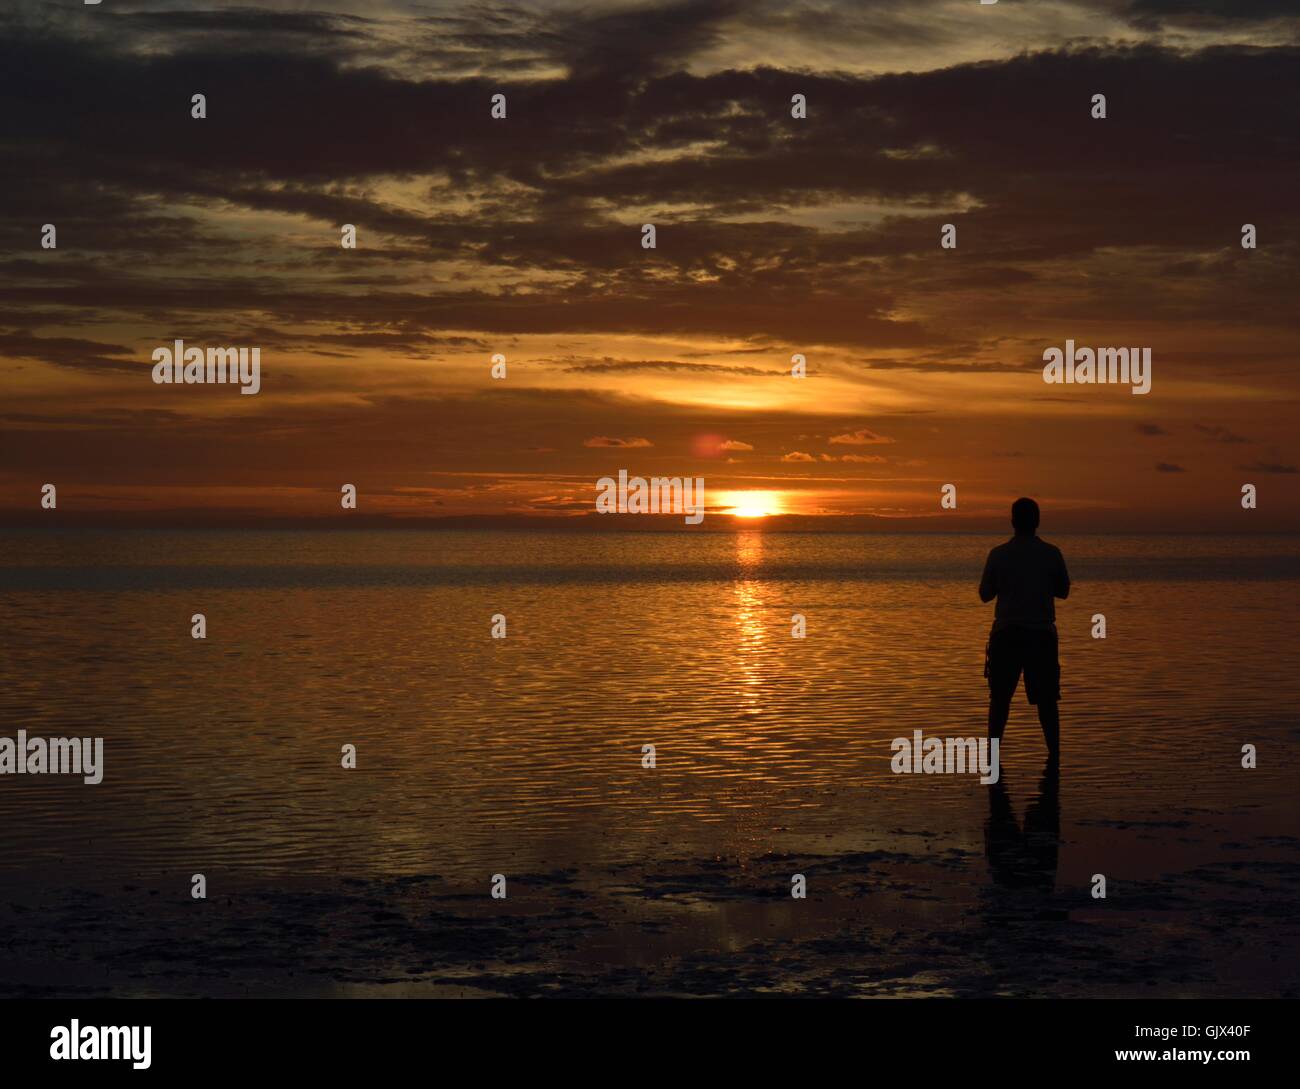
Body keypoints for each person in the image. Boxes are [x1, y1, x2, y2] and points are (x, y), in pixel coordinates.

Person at [979, 498, 1069, 763]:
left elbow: (985, 594)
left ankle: (992, 760)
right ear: (1037, 522)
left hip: (1006, 636)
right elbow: (1063, 591)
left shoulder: (998, 554)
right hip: (1041, 636)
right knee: (1047, 702)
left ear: (1012, 522)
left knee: (999, 701)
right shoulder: (1052, 554)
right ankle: (1055, 758)